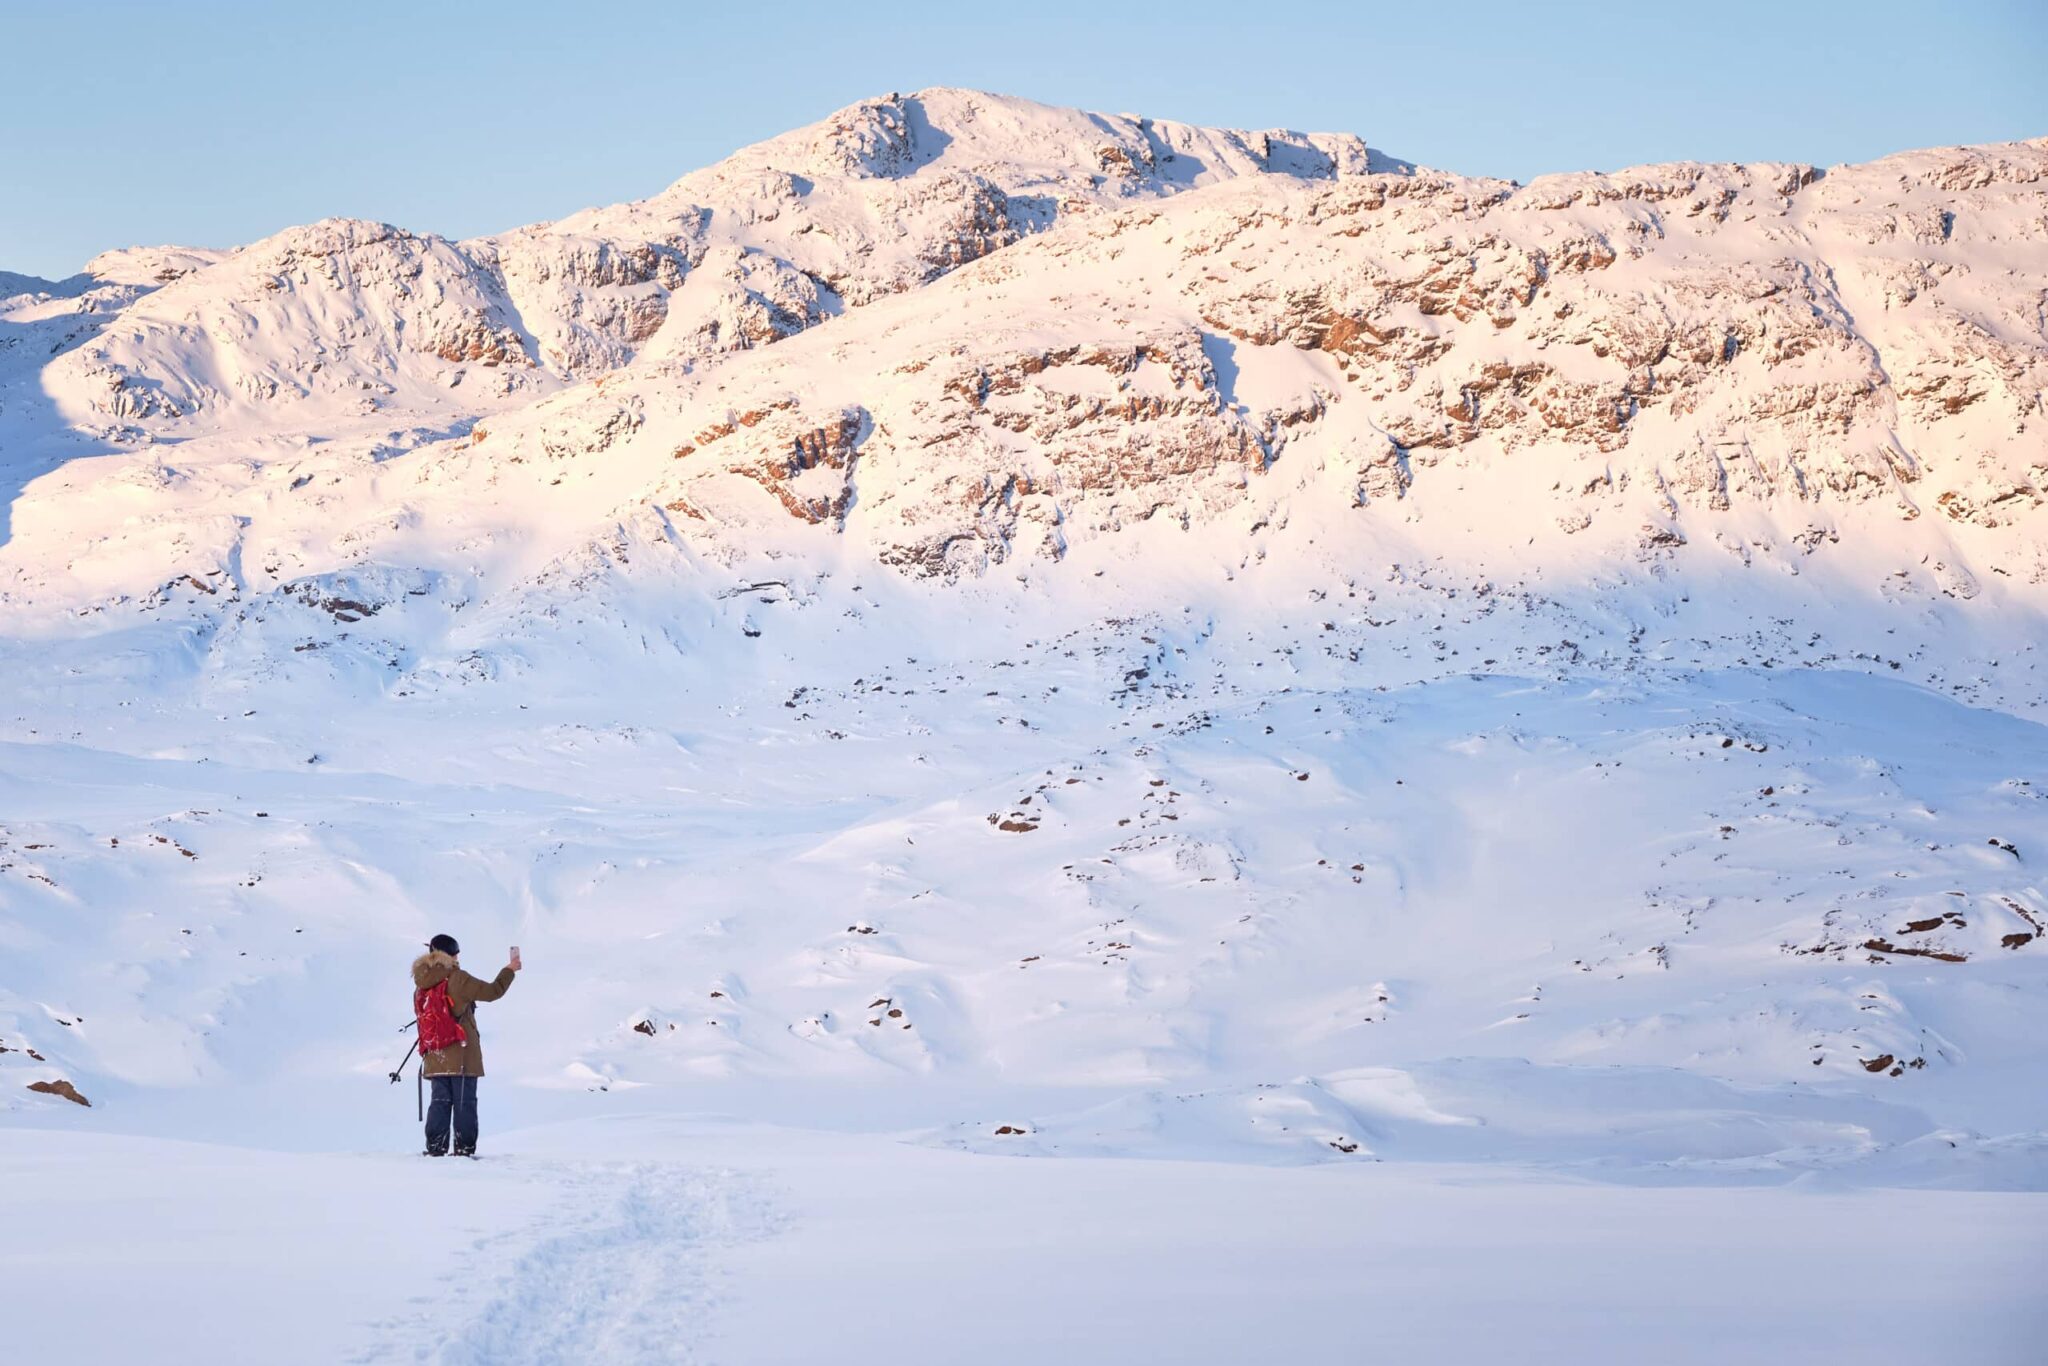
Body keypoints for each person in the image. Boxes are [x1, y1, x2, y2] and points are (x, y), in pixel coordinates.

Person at [411, 934, 519, 1157]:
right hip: (461, 1055)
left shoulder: (421, 984)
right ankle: (464, 1151)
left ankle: (435, 1150)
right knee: (464, 1104)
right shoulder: (457, 978)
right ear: (451, 954)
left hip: (434, 1055)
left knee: (439, 1102)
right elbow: (492, 992)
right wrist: (510, 969)